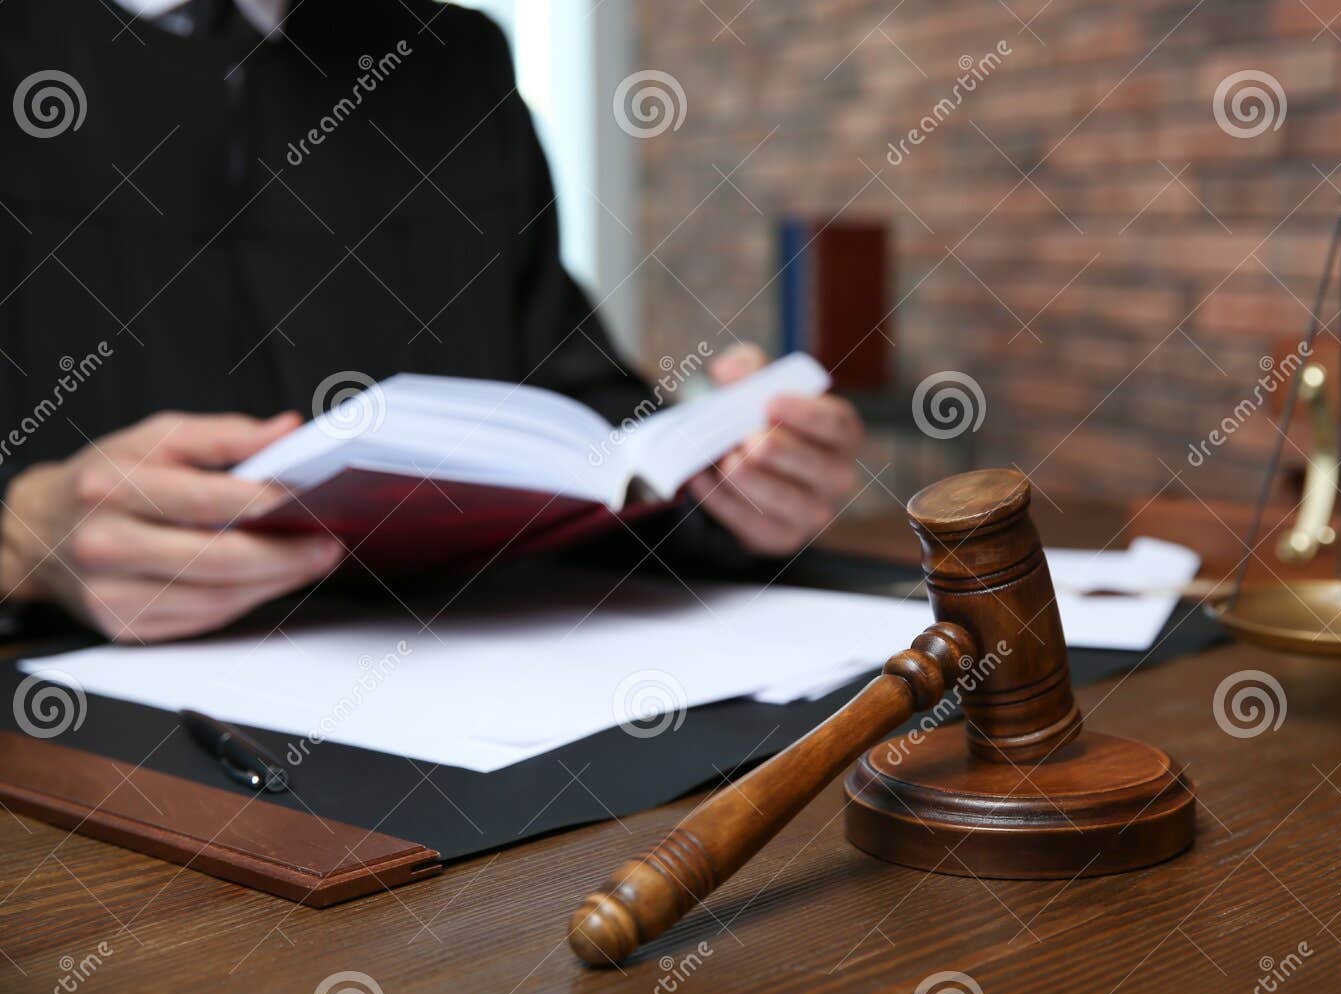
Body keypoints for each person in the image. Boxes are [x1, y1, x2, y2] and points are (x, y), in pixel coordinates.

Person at [0, 0, 864, 642]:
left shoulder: (450, 64)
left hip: (476, 709)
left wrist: (726, 477)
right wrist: (25, 540)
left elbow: (576, 407)